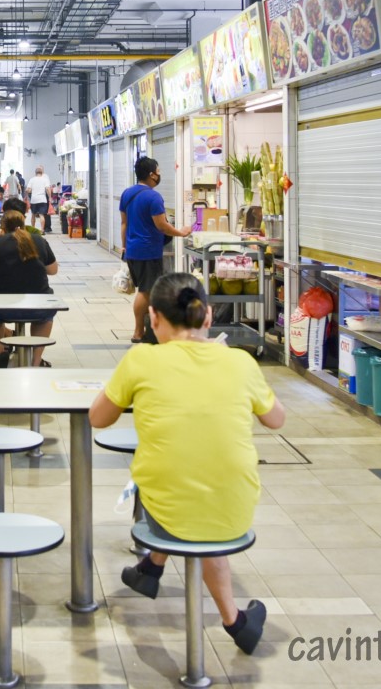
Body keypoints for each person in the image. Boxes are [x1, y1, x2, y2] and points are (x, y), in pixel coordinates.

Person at [90, 273, 284, 655]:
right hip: (235, 505)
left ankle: (232, 620)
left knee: (177, 493)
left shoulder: (141, 358)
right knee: (201, 497)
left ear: (155, 319)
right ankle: (155, 573)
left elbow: (98, 419)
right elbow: (276, 419)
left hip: (164, 507)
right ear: (208, 316)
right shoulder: (240, 362)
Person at [120, 156, 192, 344]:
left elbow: (124, 224)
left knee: (147, 290)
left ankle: (151, 329)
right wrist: (181, 232)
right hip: (148, 251)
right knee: (145, 291)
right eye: (158, 171)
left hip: (133, 250)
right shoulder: (153, 197)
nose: (160, 175)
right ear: (151, 175)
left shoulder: (127, 193)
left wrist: (124, 247)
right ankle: (138, 331)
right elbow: (161, 225)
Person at [0, 205, 58, 366]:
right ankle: (35, 361)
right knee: (45, 318)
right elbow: (53, 270)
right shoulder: (39, 240)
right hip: (39, 306)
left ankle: (1, 351)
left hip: (4, 307)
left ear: (3, 227)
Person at [27, 165, 54, 234]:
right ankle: (42, 230)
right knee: (42, 215)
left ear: (35, 173)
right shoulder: (45, 179)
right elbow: (48, 189)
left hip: (34, 200)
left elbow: (28, 190)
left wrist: (30, 191)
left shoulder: (32, 179)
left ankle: (33, 229)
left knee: (33, 215)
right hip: (42, 199)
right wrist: (50, 197)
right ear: (42, 173)